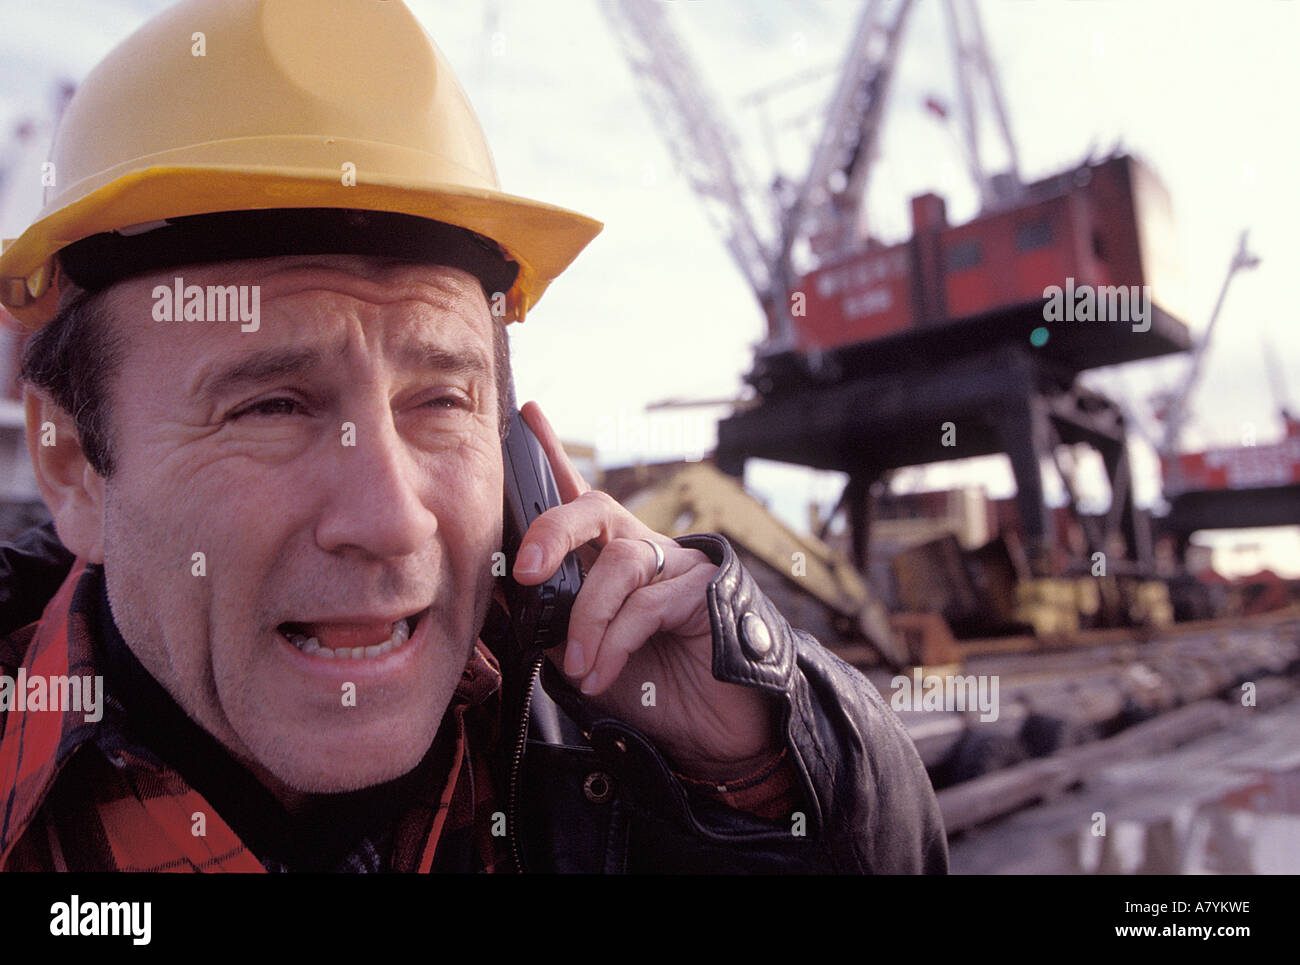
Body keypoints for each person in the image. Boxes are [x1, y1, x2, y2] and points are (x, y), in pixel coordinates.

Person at [0, 0, 947, 873]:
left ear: (523, 456)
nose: (393, 520)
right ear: (75, 461)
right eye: (271, 407)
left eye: (442, 402)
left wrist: (762, 771)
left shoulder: (632, 750)